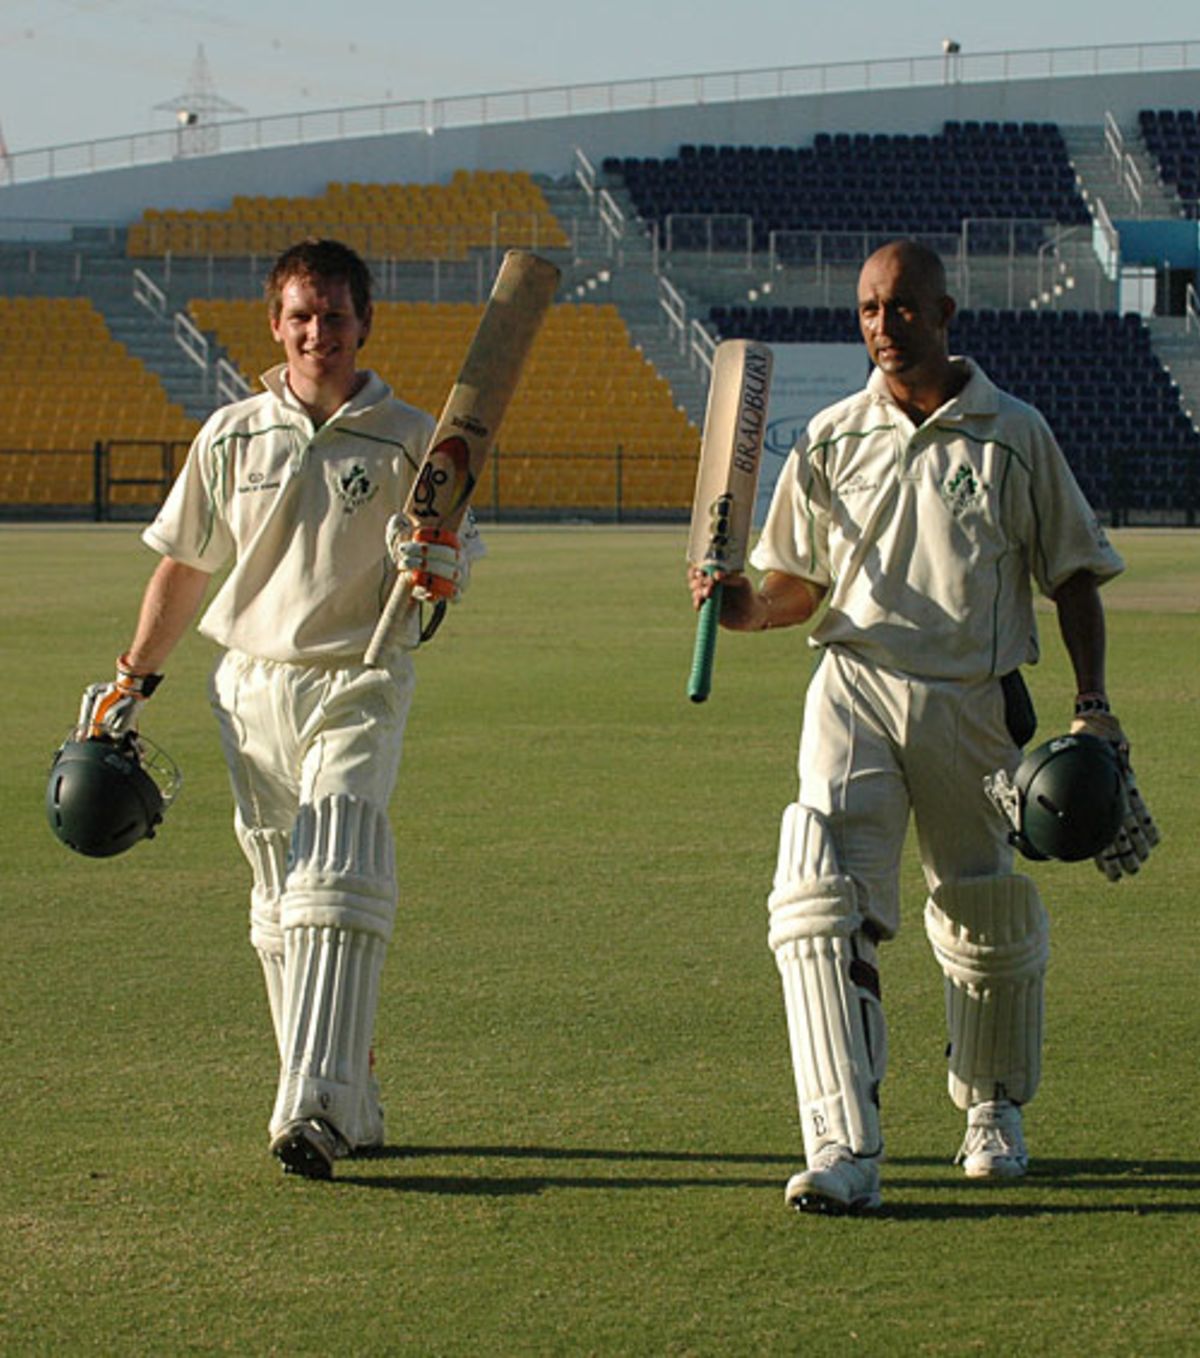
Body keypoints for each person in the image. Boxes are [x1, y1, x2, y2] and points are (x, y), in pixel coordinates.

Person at [688, 238, 1156, 1215]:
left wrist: (1095, 703)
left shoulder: (1013, 434)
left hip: (972, 695)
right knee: (820, 897)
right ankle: (841, 1141)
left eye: (902, 308)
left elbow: (1072, 573)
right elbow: (796, 585)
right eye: (867, 310)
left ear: (946, 315)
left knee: (982, 910)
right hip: (852, 679)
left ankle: (991, 1110)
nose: (882, 327)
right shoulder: (827, 437)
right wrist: (741, 606)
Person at [77, 237, 482, 1180]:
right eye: (301, 315)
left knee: (336, 863)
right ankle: (355, 1098)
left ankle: (312, 1106)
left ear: (362, 324)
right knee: (276, 897)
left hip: (361, 672)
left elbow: (444, 576)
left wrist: (439, 575)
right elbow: (185, 565)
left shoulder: (416, 437)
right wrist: (132, 678)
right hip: (249, 683)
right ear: (275, 325)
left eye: (334, 316)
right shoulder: (230, 435)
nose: (317, 333)